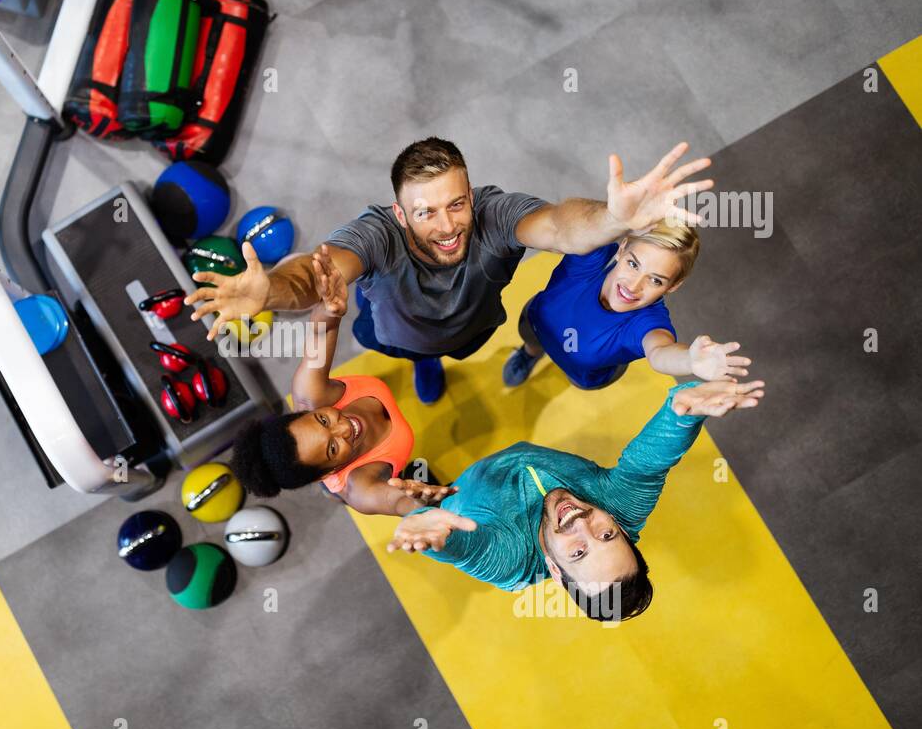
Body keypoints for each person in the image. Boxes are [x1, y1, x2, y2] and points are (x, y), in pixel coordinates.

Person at [185, 137, 713, 404]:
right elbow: (318, 273)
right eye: (425, 212)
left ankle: (440, 357)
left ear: (470, 193)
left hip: (471, 328)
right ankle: (424, 364)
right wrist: (275, 289)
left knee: (459, 347)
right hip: (394, 334)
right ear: (399, 214)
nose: (447, 226)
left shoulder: (496, 212)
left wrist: (610, 219)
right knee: (417, 353)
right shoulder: (377, 234)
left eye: (455, 204)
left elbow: (558, 226)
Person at [381, 379, 766, 621]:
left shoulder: (510, 560)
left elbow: (469, 550)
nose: (582, 523)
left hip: (459, 508)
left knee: (424, 497)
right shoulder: (620, 509)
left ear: (554, 567)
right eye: (607, 536)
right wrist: (683, 412)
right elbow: (647, 466)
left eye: (578, 553)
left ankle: (427, 493)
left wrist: (431, 528)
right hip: (492, 473)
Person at [229, 248, 454, 516]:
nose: (344, 427)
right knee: (425, 495)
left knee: (370, 320)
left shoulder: (309, 392)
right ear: (330, 470)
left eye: (323, 420)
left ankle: (411, 343)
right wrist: (419, 508)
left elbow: (322, 330)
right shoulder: (361, 488)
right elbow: (395, 502)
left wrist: (328, 304)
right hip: (358, 481)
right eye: (333, 448)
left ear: (306, 410)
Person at [503, 220, 751, 390]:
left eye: (655, 280)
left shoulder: (648, 323)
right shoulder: (589, 256)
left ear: (673, 286)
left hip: (583, 373)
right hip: (536, 325)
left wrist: (689, 361)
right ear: (622, 250)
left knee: (575, 375)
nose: (633, 286)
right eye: (633, 264)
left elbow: (659, 352)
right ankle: (529, 354)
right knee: (532, 341)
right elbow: (561, 222)